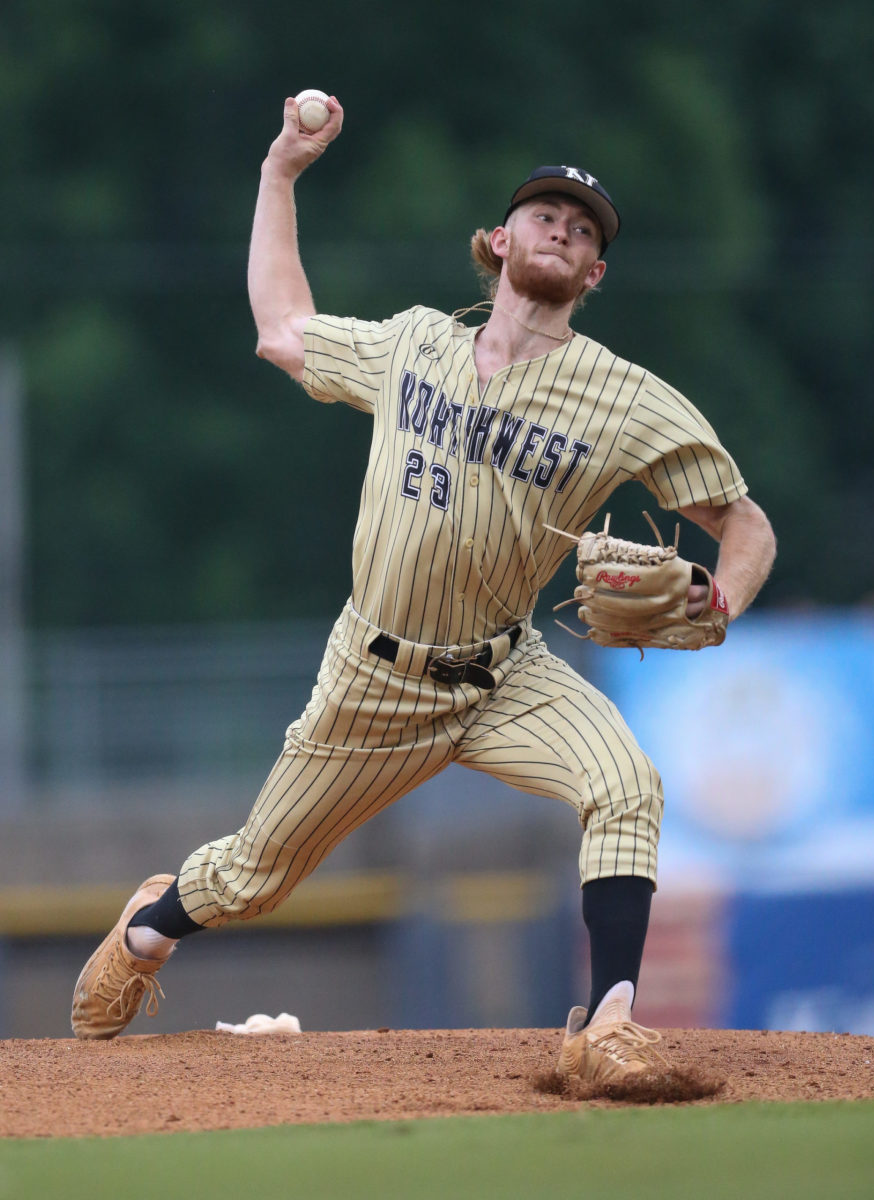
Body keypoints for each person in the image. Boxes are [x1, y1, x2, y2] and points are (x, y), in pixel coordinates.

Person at [71, 95, 776, 1082]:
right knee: (249, 878)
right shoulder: (413, 343)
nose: (562, 231)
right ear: (500, 241)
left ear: (594, 274)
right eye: (544, 215)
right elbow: (282, 328)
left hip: (505, 674)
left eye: (582, 232)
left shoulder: (625, 397)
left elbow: (744, 524)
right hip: (373, 679)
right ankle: (148, 927)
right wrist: (280, 172)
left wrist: (722, 599)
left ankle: (609, 1027)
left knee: (625, 785)